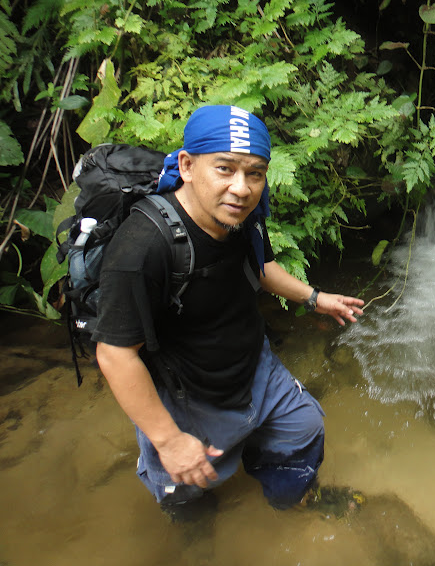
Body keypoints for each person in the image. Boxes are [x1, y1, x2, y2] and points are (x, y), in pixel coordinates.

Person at [93, 105, 364, 512]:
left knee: (304, 429)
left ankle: (290, 501)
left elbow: (262, 268)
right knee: (185, 490)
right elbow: (114, 354)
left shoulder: (242, 214)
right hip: (187, 390)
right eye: (225, 168)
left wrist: (315, 298)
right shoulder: (143, 246)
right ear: (187, 165)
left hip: (253, 364)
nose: (241, 187)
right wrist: (168, 440)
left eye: (255, 173)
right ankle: (197, 536)